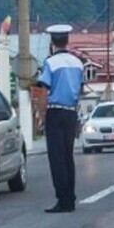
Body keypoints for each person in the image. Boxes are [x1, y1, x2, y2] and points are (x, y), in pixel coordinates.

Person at [36, 24, 85, 213]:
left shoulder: (50, 63)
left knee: (56, 158)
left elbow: (43, 89)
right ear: (67, 40)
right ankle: (70, 197)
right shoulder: (78, 63)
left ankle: (62, 199)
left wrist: (41, 117)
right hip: (71, 112)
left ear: (52, 42)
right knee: (68, 156)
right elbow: (80, 88)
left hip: (55, 112)